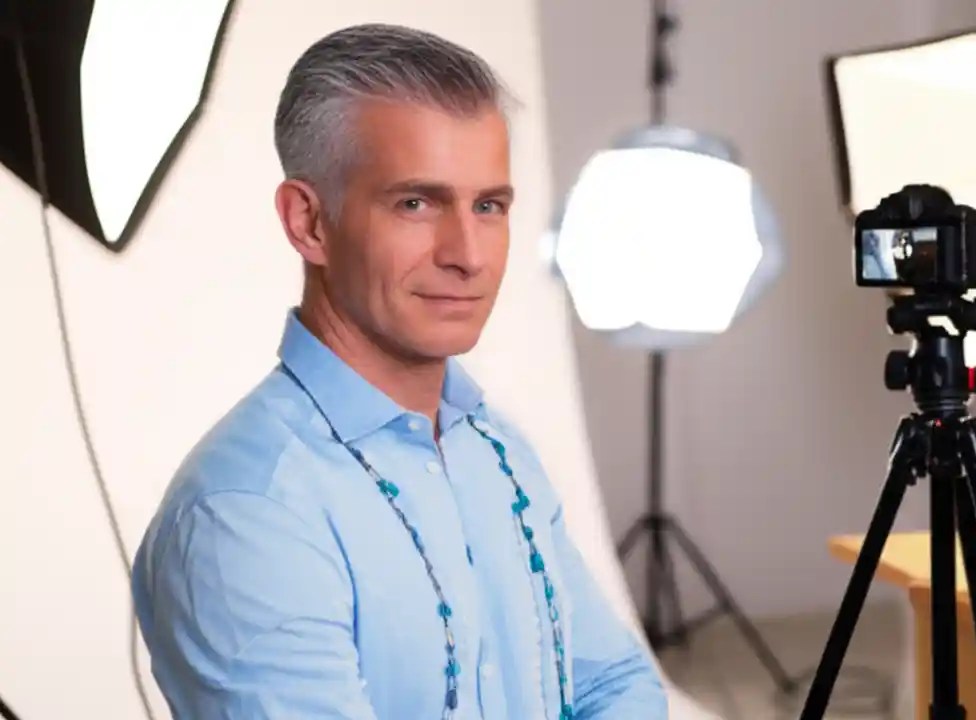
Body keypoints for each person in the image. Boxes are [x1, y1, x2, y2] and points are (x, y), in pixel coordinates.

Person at [131, 23, 668, 719]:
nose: (469, 255)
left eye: (489, 206)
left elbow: (613, 684)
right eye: (416, 203)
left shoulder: (494, 449)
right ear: (309, 223)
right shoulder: (248, 512)